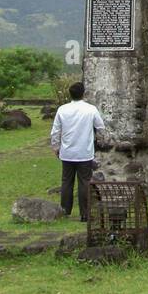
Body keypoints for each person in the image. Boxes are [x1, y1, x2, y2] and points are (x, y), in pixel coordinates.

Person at [50, 83, 105, 222]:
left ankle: (65, 211)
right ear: (83, 93)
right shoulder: (90, 109)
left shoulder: (62, 110)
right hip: (84, 152)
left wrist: (56, 147)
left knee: (67, 181)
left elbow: (55, 131)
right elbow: (100, 127)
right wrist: (99, 139)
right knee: (84, 182)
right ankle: (85, 213)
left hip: (67, 151)